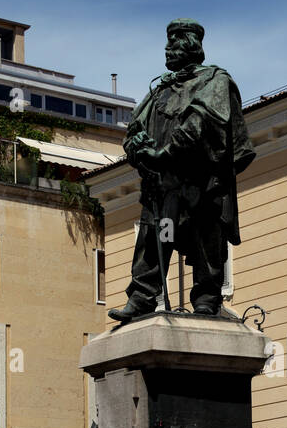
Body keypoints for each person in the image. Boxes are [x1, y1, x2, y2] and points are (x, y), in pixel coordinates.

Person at [107, 18, 255, 321]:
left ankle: (206, 298)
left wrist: (165, 152)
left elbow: (202, 121)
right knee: (154, 236)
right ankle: (142, 297)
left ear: (191, 43)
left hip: (201, 181)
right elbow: (133, 129)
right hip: (162, 184)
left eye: (173, 42)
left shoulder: (213, 80)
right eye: (167, 42)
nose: (167, 48)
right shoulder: (159, 89)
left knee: (205, 236)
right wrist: (140, 151)